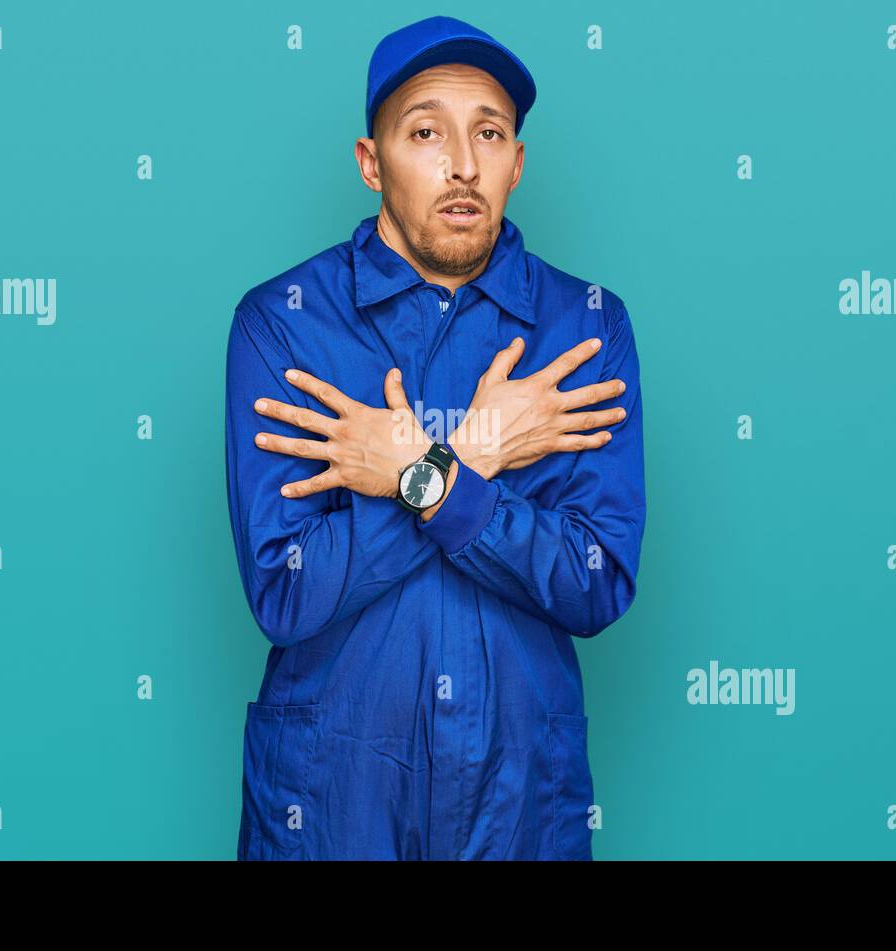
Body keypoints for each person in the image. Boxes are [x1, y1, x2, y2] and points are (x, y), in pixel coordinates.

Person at [224, 15, 645, 860]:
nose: (462, 164)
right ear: (371, 162)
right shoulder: (282, 329)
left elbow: (596, 585)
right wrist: (478, 456)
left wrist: (425, 478)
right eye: (425, 132)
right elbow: (285, 592)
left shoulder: (586, 330)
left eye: (489, 132)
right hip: (335, 799)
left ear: (517, 165)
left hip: (519, 797)